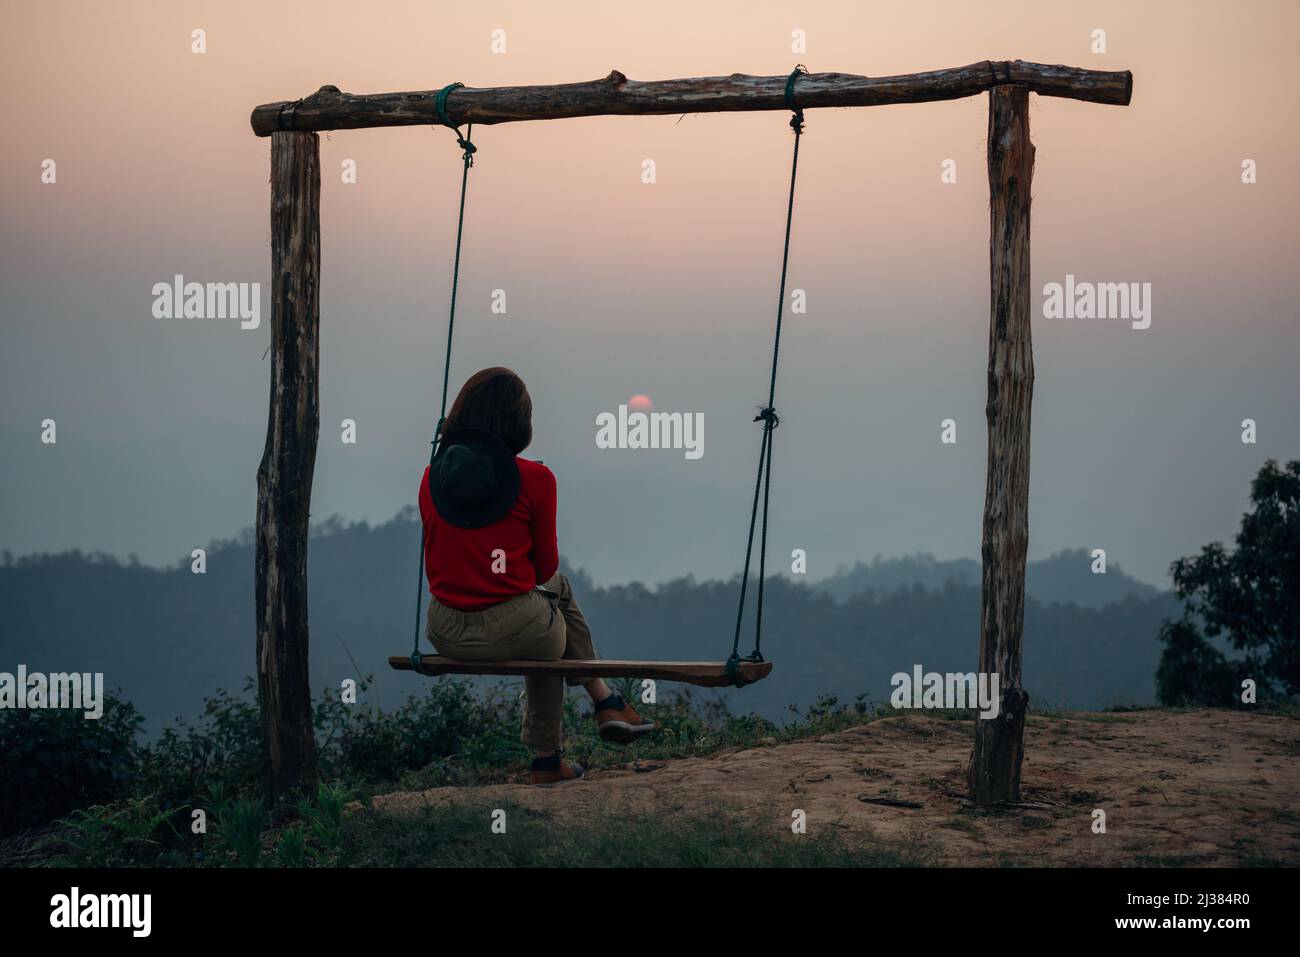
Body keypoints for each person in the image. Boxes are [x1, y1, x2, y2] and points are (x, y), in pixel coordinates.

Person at [418, 367, 655, 785]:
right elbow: (544, 568)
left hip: (444, 627)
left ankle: (603, 708)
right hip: (512, 628)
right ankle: (582, 724)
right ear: (517, 422)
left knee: (543, 613)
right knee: (550, 612)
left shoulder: (431, 477)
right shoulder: (536, 479)